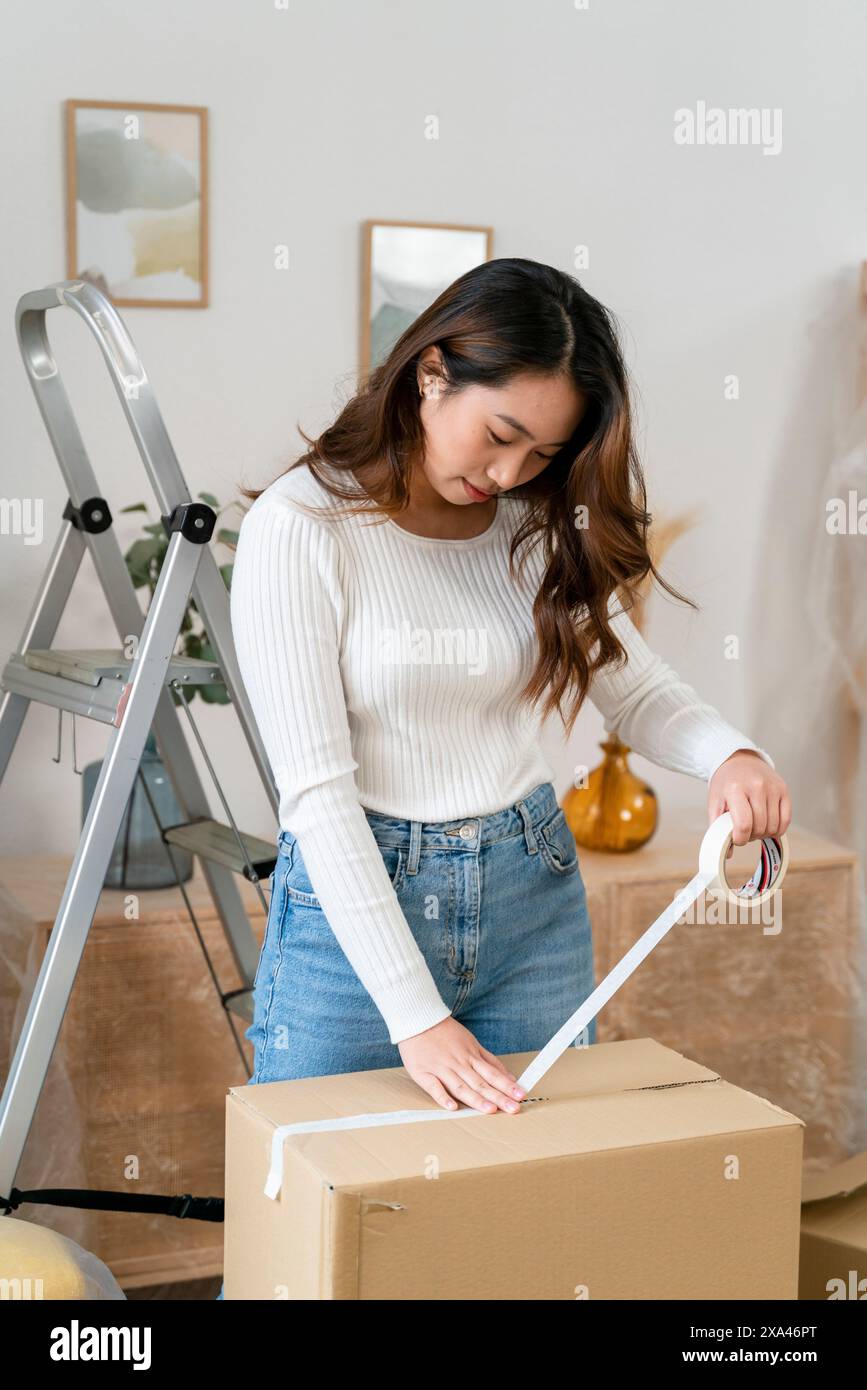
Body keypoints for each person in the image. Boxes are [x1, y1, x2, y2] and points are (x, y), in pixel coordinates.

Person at [215, 258, 790, 1298]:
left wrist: (730, 754)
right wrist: (415, 1014)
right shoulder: (302, 530)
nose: (513, 471)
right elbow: (317, 798)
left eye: (544, 450)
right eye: (501, 434)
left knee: (533, 1232)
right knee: (302, 1240)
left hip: (531, 898)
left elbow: (633, 684)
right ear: (432, 373)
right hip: (358, 915)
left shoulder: (536, 525)